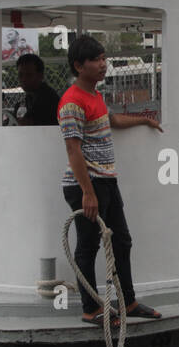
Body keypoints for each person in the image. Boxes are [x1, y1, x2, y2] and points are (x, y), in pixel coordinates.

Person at [59, 35, 163, 325]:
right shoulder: (71, 102)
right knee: (88, 247)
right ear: (79, 66)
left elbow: (112, 121)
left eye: (104, 58)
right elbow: (72, 148)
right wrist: (87, 193)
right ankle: (91, 309)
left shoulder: (95, 96)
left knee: (122, 242)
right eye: (96, 60)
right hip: (87, 185)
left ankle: (127, 302)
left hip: (106, 181)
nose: (104, 65)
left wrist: (145, 120)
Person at [16, 53, 60, 126]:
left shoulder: (46, 98)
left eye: (29, 75)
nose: (23, 79)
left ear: (40, 76)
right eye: (20, 75)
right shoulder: (30, 96)